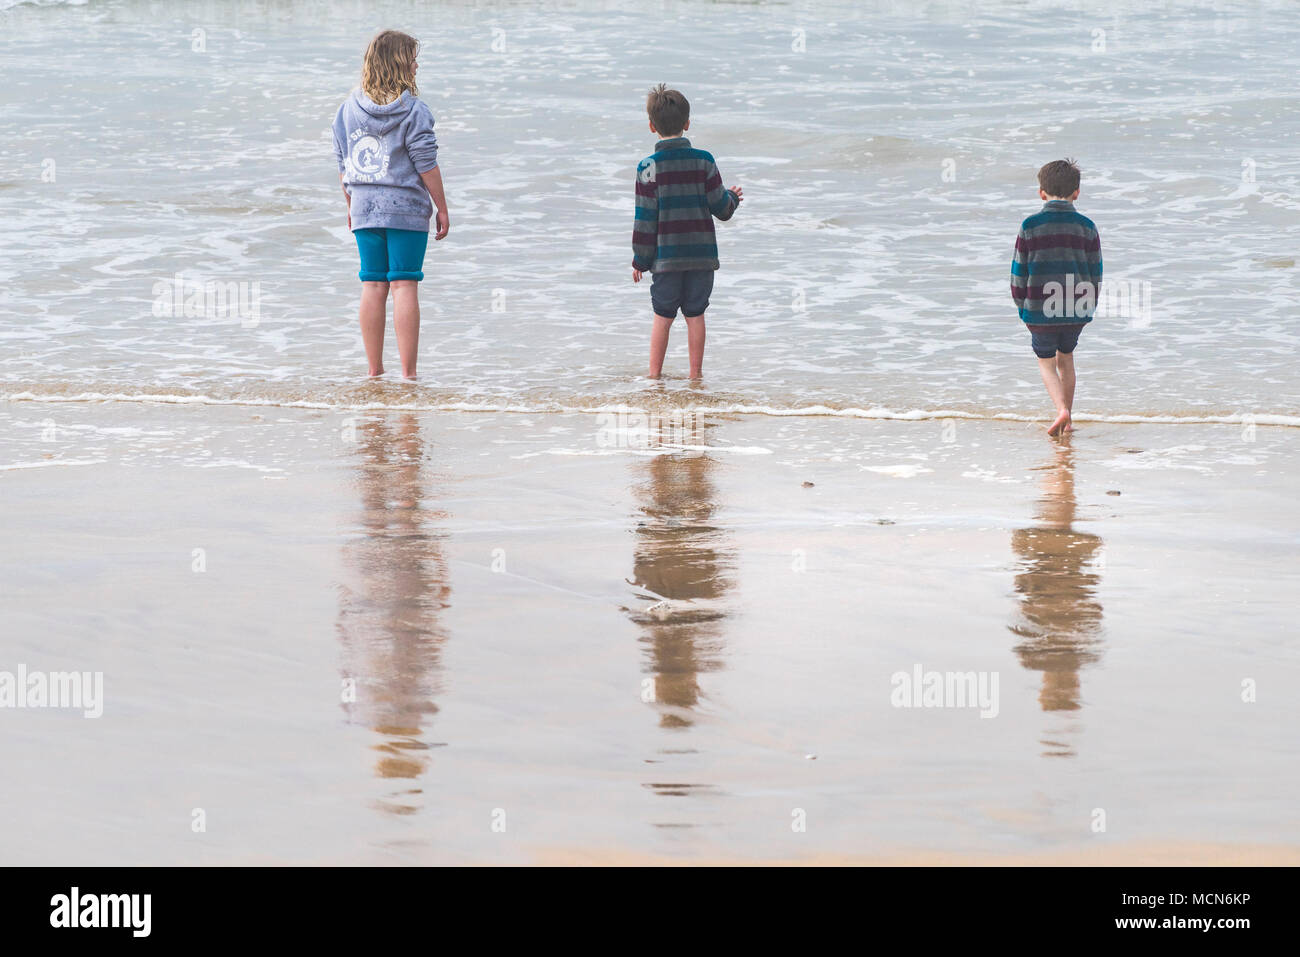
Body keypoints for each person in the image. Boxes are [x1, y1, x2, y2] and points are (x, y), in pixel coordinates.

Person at [332, 30, 449, 380]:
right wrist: (442, 207)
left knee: (372, 285)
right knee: (404, 285)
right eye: (413, 59)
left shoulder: (348, 109)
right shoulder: (414, 111)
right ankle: (409, 375)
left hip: (365, 209)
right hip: (406, 211)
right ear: (401, 66)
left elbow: (344, 163)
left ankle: (374, 371)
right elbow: (426, 162)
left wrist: (351, 203)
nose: (417, 65)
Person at [632, 84, 743, 379]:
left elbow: (645, 219)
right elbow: (721, 207)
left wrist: (640, 261)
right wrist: (733, 198)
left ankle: (654, 377)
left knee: (662, 317)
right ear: (687, 123)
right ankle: (696, 377)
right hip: (700, 257)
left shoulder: (647, 167)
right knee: (696, 315)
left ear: (652, 126)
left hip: (666, 260)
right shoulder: (704, 161)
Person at [1010, 159, 1102, 435]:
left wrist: (1022, 307)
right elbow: (1095, 272)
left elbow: (1019, 272)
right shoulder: (1087, 226)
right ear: (1077, 192)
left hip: (1038, 309)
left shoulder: (1030, 226)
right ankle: (1068, 418)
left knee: (1046, 362)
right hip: (1075, 308)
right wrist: (1089, 306)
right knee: (1067, 358)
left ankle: (1061, 410)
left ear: (1041, 193)